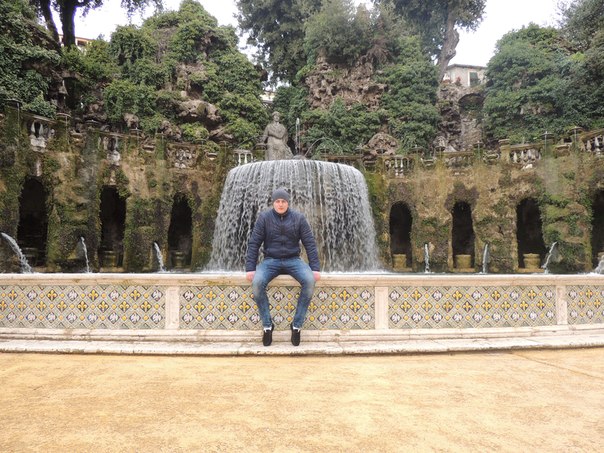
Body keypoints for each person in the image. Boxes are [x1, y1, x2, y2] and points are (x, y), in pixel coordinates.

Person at [246, 188, 321, 346]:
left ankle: (296, 326)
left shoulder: (299, 218)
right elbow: (254, 243)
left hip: (293, 260)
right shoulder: (264, 218)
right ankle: (267, 326)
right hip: (270, 260)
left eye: (283, 201)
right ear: (273, 203)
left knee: (309, 281)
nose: (280, 204)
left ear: (288, 203)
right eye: (277, 201)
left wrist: (315, 268)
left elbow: (310, 243)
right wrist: (250, 268)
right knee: (257, 283)